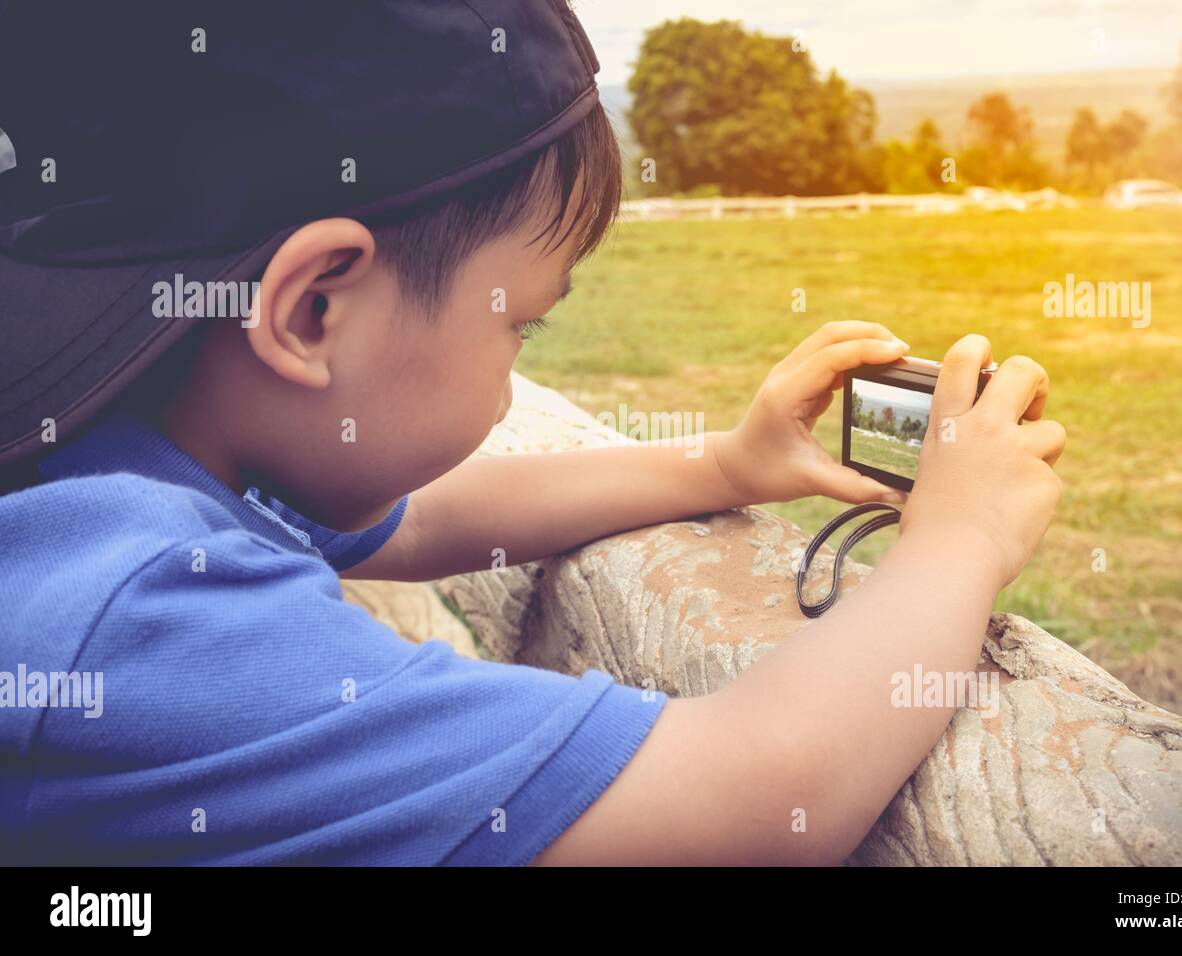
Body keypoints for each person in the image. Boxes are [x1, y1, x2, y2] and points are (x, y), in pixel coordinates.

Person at [0, 1, 1065, 865]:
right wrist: (958, 541)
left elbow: (418, 524)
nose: (515, 369)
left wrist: (723, 463)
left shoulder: (113, 450)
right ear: (312, 311)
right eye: (519, 322)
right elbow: (758, 795)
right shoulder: (139, 618)